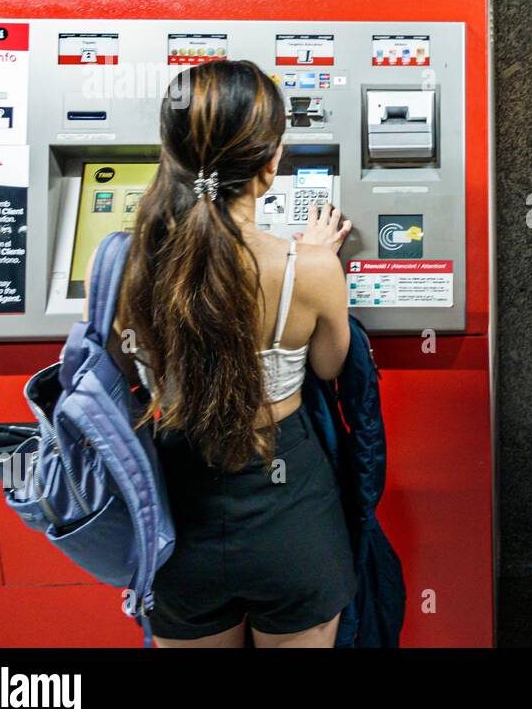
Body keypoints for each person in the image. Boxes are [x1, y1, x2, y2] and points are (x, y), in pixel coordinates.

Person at [109, 59, 356, 648]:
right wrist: (317, 257)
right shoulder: (310, 268)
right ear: (270, 165)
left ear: (171, 155)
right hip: (289, 507)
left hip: (176, 509)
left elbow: (126, 372)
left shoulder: (126, 265)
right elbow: (329, 368)